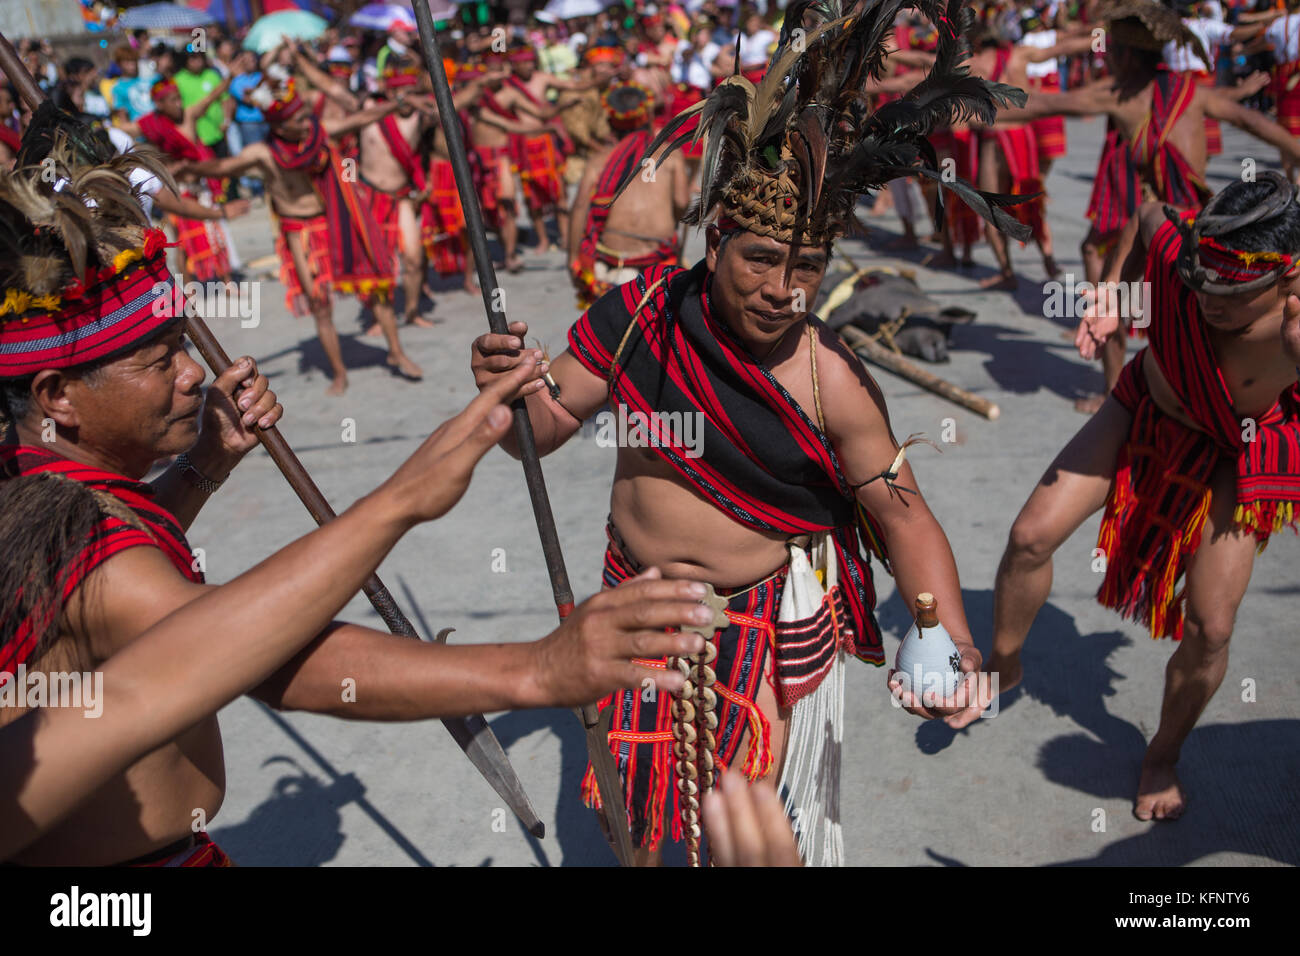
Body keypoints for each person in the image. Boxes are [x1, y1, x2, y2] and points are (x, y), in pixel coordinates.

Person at [0, 123, 710, 865]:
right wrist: (534, 664)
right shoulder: (94, 558)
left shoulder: (35, 486)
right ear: (58, 396)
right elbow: (263, 657)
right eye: (157, 361)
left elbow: (114, 577)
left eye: (183, 348)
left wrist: (203, 465)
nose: (190, 375)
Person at [470, 3, 1029, 865]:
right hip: (632, 608)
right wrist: (509, 393)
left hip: (758, 626)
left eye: (806, 267)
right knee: (641, 819)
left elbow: (905, 515)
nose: (783, 288)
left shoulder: (826, 377)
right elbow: (539, 431)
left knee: (747, 825)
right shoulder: (639, 315)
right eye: (761, 259)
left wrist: (949, 639)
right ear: (717, 241)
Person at [986, 174, 1300, 822]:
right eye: (1199, 284)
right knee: (1030, 537)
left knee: (1212, 627)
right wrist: (1115, 294)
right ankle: (1004, 662)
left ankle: (1162, 754)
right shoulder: (1179, 245)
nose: (1207, 300)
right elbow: (1149, 210)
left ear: (1286, 278)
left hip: (1233, 452)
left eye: (1229, 294)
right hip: (1146, 406)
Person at [1003, 0, 1300, 413]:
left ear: (1125, 56)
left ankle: (1119, 395)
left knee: (1108, 289)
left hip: (1158, 230)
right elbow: (1255, 123)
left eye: (1110, 53)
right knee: (1194, 325)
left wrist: (967, 102)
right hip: (1203, 228)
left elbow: (1042, 106)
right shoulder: (1192, 92)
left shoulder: (1120, 94)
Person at [192, 81, 424, 394]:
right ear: (279, 126)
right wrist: (186, 168)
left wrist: (394, 103)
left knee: (376, 289)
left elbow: (357, 120)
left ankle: (396, 352)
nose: (307, 123)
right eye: (299, 120)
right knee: (319, 304)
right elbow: (223, 167)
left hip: (334, 223)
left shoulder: (318, 135)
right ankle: (339, 373)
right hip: (298, 234)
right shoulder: (262, 153)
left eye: (305, 116)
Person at [568, 81, 689, 309]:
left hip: (609, 267)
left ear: (611, 122)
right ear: (648, 116)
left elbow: (579, 209)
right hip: (657, 268)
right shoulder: (671, 156)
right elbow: (682, 203)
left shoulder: (598, 161)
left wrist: (573, 259)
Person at [138, 76, 240, 283]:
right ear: (160, 104)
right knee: (183, 241)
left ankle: (228, 281)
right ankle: (187, 287)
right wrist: (171, 169)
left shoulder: (189, 115)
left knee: (215, 232)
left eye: (179, 98)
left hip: (200, 186)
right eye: (173, 100)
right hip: (176, 190)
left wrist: (229, 77)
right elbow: (122, 132)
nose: (178, 103)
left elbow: (211, 97)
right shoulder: (153, 125)